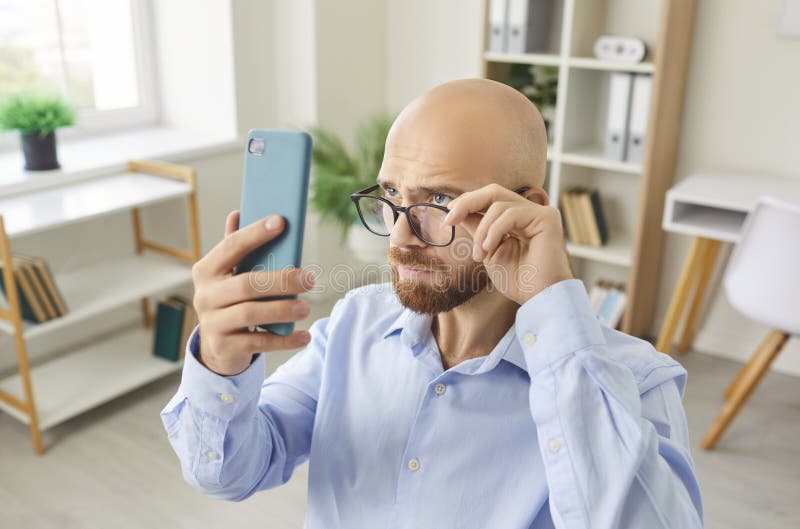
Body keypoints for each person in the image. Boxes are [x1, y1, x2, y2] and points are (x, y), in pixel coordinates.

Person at [161, 78, 704, 528]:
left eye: (440, 200)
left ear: (527, 210)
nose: (400, 236)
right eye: (391, 196)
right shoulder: (354, 324)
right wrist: (219, 365)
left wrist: (553, 306)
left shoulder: (638, 382)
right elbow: (226, 473)